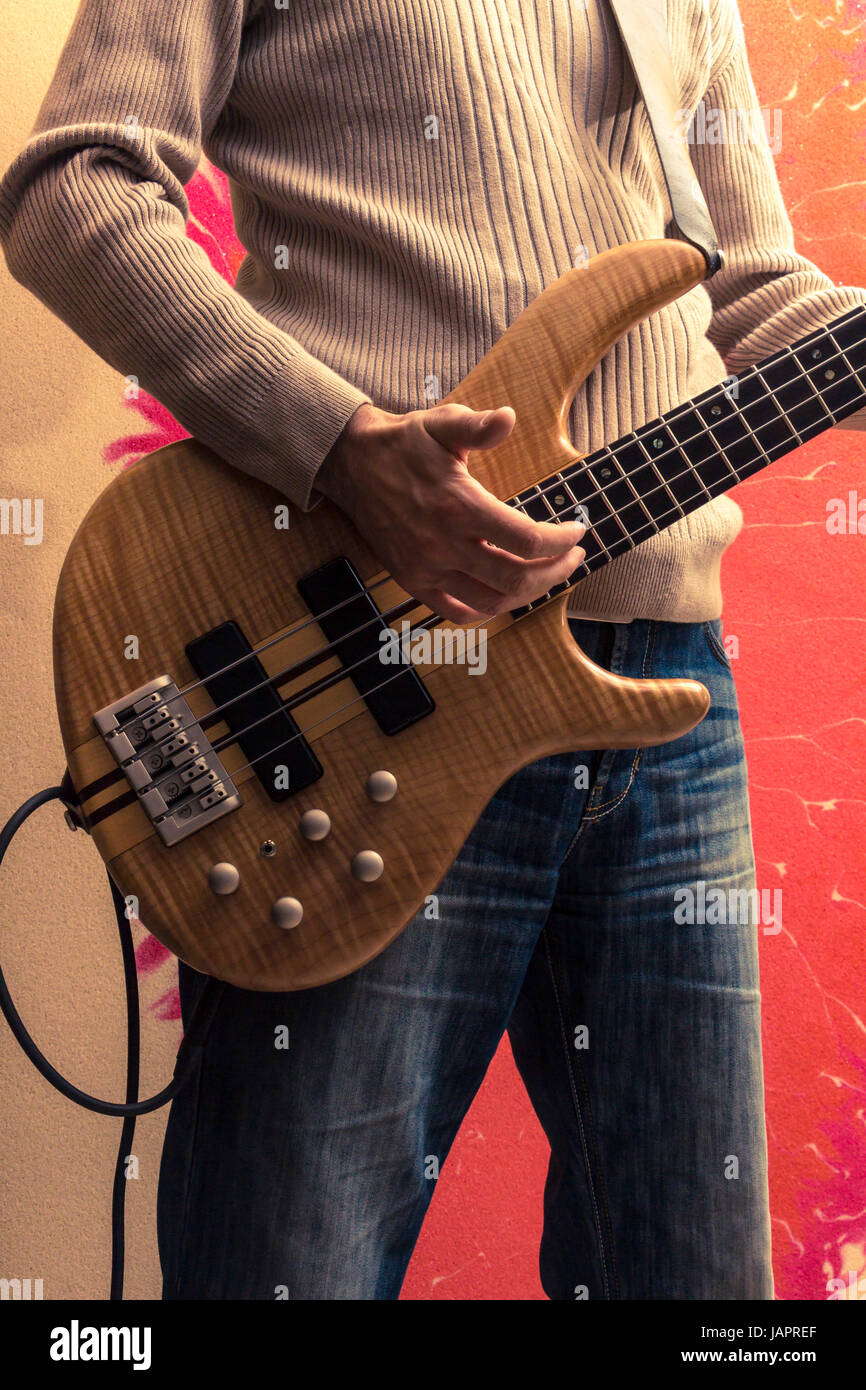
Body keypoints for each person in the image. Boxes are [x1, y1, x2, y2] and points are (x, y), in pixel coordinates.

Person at [1, 0, 864, 1300]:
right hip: (356, 690)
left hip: (665, 708)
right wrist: (339, 442)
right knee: (294, 1265)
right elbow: (75, 188)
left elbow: (748, 285)